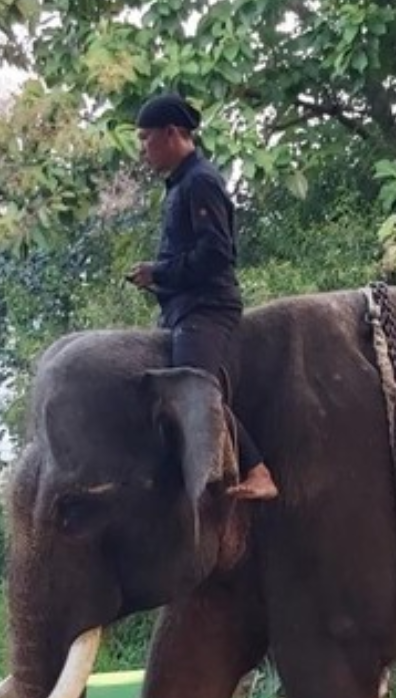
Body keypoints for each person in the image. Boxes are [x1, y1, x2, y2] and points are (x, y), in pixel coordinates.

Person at [127, 91, 279, 501]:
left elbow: (217, 254)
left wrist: (158, 272)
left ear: (172, 133)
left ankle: (257, 469)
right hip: (184, 309)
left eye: (146, 138)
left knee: (195, 387)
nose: (143, 150)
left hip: (206, 308)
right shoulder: (181, 184)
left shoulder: (201, 181)